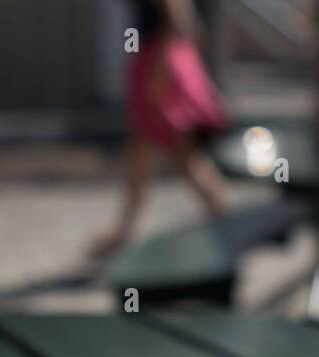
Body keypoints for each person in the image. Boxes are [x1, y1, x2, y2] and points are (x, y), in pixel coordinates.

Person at [91, 0, 229, 258]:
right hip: (159, 59)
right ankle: (124, 231)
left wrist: (161, 66)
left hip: (157, 62)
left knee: (177, 156)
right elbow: (192, 27)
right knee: (150, 154)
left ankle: (225, 219)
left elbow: (177, 16)